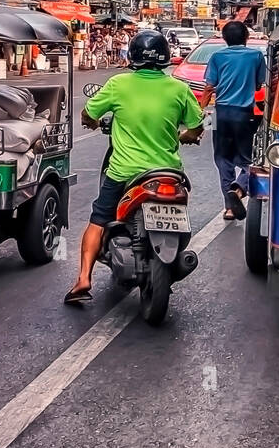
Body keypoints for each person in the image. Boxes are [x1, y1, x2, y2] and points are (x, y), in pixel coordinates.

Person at [65, 29, 203, 305]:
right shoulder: (179, 88)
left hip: (125, 174)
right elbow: (196, 127)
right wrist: (185, 137)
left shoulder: (118, 84)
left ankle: (83, 278)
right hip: (169, 174)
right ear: (165, 57)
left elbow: (88, 113)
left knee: (98, 219)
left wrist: (91, 122)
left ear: (132, 57)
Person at [200, 19, 268, 221]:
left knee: (222, 159)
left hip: (219, 113)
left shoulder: (217, 56)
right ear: (246, 38)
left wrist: (200, 117)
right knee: (250, 160)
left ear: (224, 38)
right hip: (245, 114)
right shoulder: (256, 56)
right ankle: (239, 189)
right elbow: (258, 85)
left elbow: (209, 88)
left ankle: (229, 208)